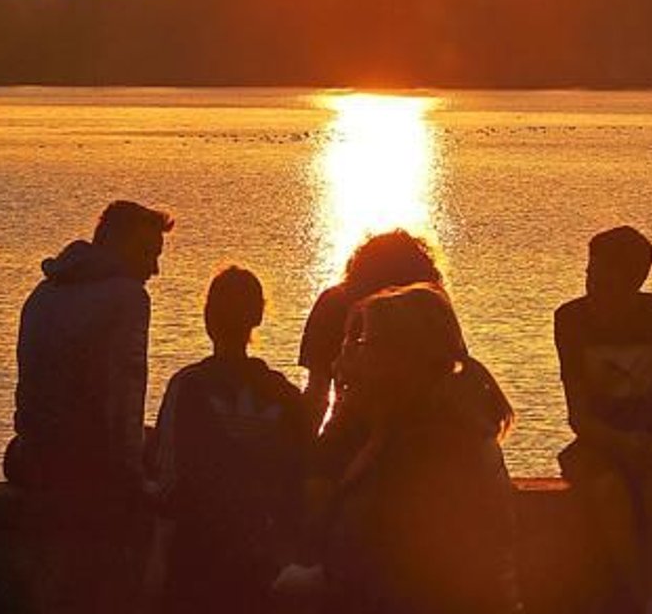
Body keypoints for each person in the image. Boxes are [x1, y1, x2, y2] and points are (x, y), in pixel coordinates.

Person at [295, 283, 520, 614]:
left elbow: (380, 580)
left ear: (397, 361)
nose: (340, 364)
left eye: (360, 345)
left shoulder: (418, 459)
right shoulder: (452, 432)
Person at [4, 198, 174, 612]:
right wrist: (134, 477)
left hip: (36, 455)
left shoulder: (43, 293)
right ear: (117, 246)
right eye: (148, 253)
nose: (154, 269)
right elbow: (124, 394)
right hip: (91, 467)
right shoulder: (128, 297)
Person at [555, 225, 652, 614]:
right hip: (599, 443)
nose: (592, 287)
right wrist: (621, 443)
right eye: (589, 274)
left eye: (604, 279)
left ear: (634, 280)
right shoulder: (570, 319)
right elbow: (578, 417)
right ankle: (642, 598)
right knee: (608, 492)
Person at [146, 266, 308, 614]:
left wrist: (157, 561)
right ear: (258, 317)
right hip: (266, 556)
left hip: (199, 556)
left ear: (207, 317)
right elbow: (301, 472)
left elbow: (170, 481)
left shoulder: (188, 386)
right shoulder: (285, 393)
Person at [300, 230, 443, 433]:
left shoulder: (335, 302)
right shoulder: (430, 308)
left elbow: (317, 393)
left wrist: (304, 444)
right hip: (422, 433)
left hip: (351, 432)